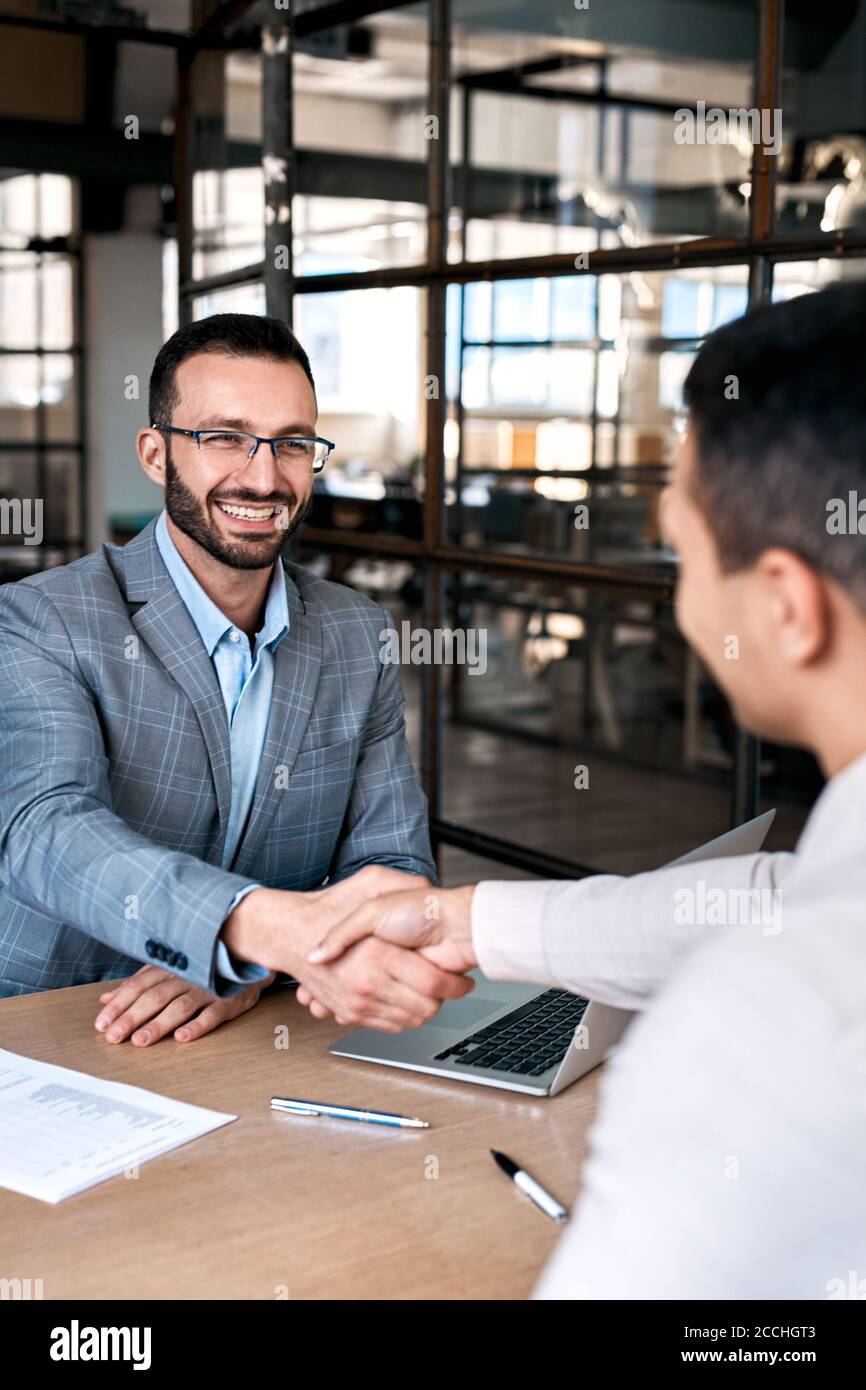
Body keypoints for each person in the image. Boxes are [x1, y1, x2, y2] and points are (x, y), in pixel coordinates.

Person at [303, 283, 866, 1299]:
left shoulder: (762, 1028)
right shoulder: (821, 923)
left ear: (785, 606)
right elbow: (769, 896)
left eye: (680, 555)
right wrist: (462, 919)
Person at [0, 313, 471, 1043]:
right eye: (224, 437)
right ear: (157, 456)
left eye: (292, 444)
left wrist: (252, 968)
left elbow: (391, 869)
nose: (263, 476)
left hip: (254, 1041)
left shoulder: (357, 634)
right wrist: (246, 931)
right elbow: (45, 831)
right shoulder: (41, 619)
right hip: (57, 1025)